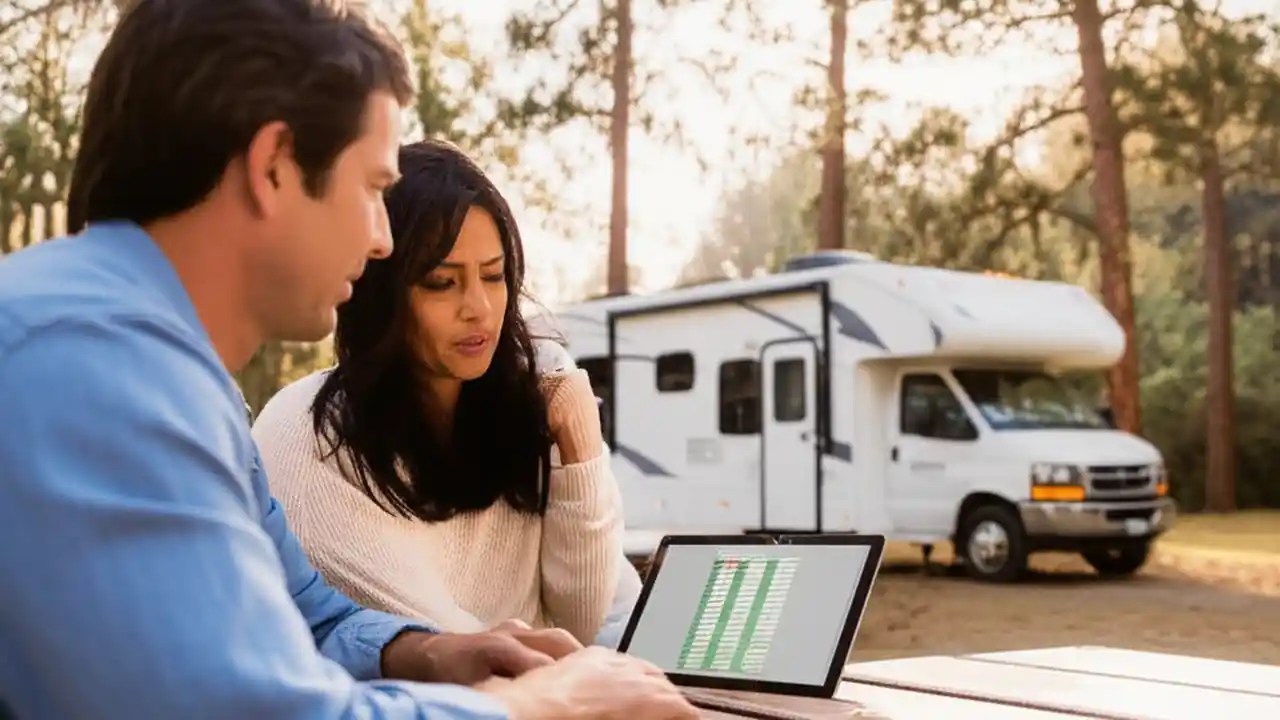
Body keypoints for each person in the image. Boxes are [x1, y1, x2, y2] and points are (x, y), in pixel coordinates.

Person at [0, 1, 694, 719]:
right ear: (273, 168)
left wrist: (427, 652)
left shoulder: (167, 372)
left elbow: (312, 618)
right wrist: (543, 706)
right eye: (374, 190)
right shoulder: (87, 366)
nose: (381, 241)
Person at [251, 139, 641, 649]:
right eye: (441, 282)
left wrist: (578, 443)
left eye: (494, 275)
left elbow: (580, 621)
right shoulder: (306, 436)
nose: (478, 307)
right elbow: (454, 655)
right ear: (380, 290)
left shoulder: (532, 403)